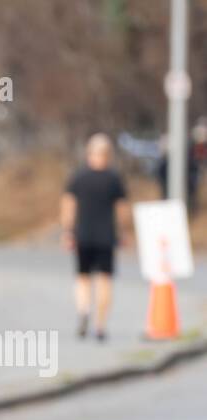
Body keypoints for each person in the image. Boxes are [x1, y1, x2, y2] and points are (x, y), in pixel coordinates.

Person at [61, 133, 129, 342]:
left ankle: (84, 311)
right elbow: (122, 210)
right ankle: (100, 326)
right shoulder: (114, 178)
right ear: (108, 155)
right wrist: (124, 232)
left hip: (83, 235)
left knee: (82, 278)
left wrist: (68, 232)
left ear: (89, 153)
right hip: (106, 237)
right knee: (105, 281)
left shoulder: (78, 177)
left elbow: (68, 206)